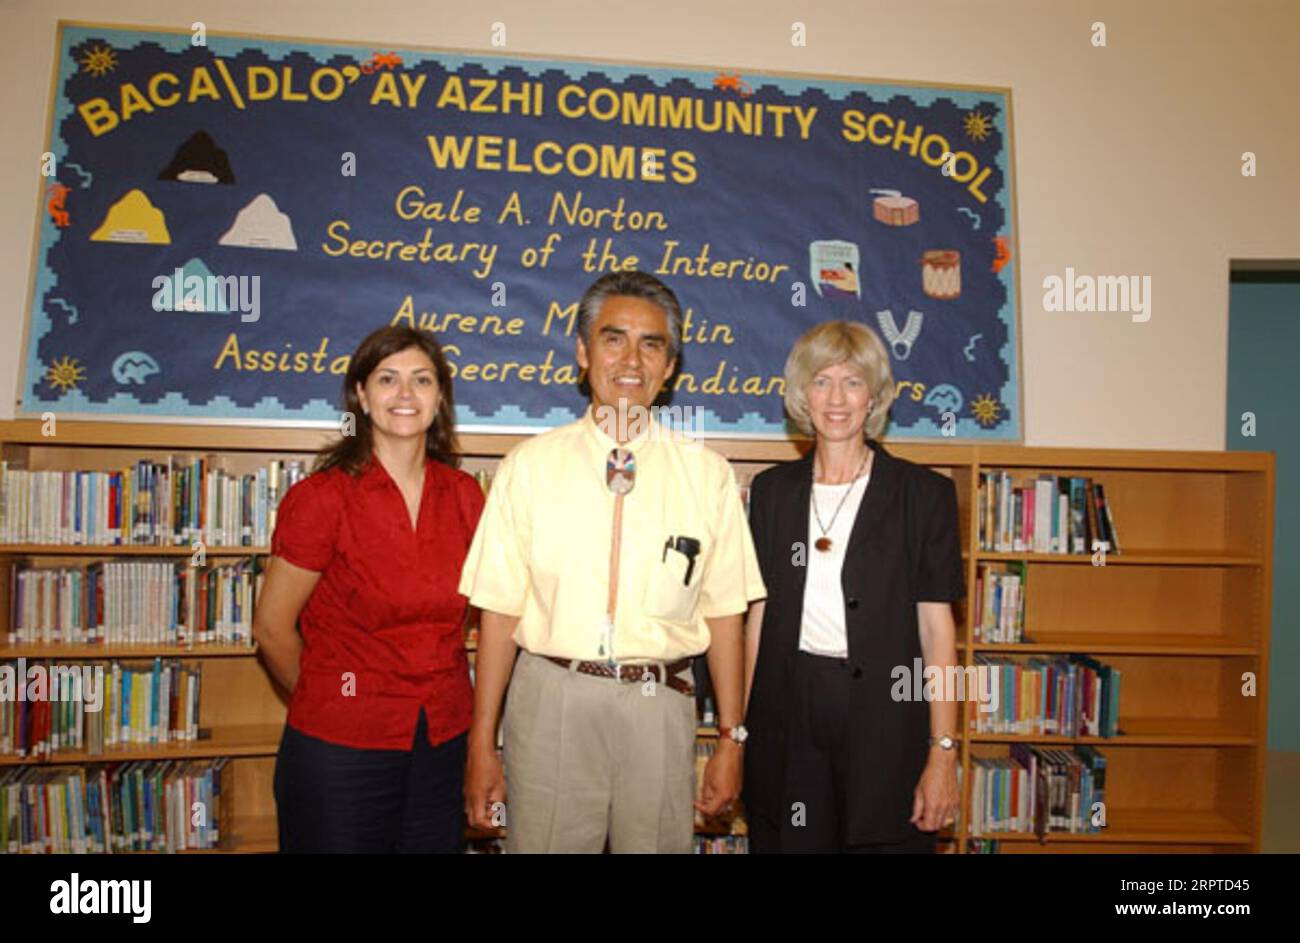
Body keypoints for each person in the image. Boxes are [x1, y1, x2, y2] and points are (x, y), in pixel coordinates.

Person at [460, 270, 765, 853]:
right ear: (582, 351)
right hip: (552, 697)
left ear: (670, 365)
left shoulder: (708, 476)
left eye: (652, 344)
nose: (632, 359)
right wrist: (482, 743)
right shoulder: (529, 467)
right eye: (613, 338)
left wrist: (732, 738)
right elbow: (497, 612)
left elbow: (727, 614)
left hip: (660, 706)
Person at [254, 325, 485, 853]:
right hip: (341, 748)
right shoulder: (322, 499)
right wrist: (330, 695)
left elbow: (492, 613)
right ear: (361, 395)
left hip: (443, 741)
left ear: (440, 397)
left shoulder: (465, 496)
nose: (405, 395)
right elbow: (271, 629)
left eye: (421, 380)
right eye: (388, 379)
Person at [742, 320, 965, 853]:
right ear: (802, 395)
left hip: (887, 725)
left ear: (875, 397)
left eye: (852, 382)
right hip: (789, 721)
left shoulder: (924, 495)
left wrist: (943, 753)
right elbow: (758, 620)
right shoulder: (772, 493)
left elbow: (938, 636)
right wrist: (742, 735)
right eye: (821, 381)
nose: (836, 398)